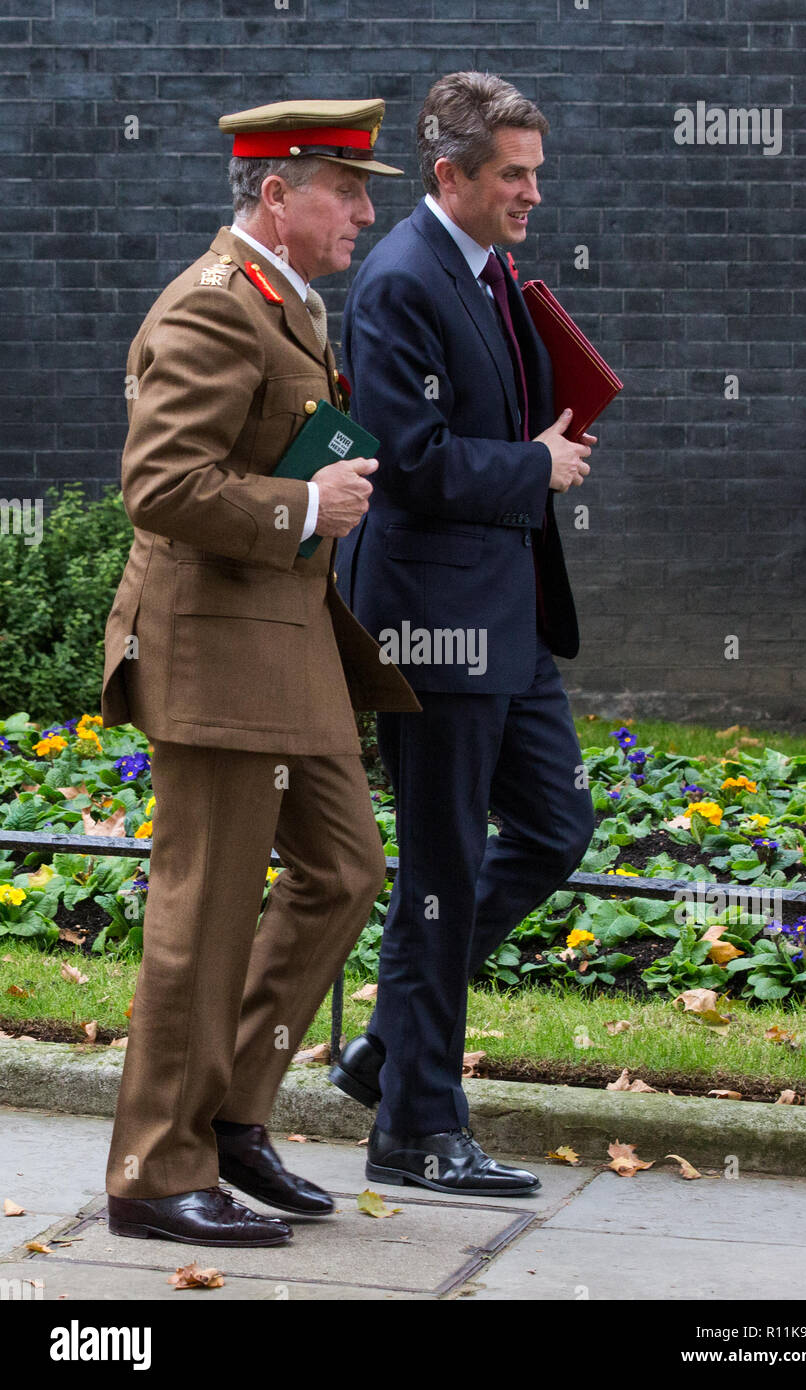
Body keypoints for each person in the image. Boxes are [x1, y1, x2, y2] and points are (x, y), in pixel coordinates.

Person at [99, 98, 417, 1247]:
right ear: (276, 196)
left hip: (278, 649)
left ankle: (230, 1111)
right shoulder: (210, 308)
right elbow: (160, 485)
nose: (367, 212)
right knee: (203, 912)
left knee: (344, 867)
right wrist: (305, 504)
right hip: (211, 653)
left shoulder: (287, 306)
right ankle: (151, 1167)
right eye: (347, 190)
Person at [330, 72, 596, 1195]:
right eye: (513, 174)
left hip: (506, 614)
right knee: (443, 867)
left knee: (553, 824)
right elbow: (412, 460)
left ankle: (388, 1052)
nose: (532, 192)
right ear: (451, 175)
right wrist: (537, 464)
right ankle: (415, 1126)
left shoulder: (486, 273)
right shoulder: (400, 279)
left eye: (535, 171)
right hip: (432, 621)